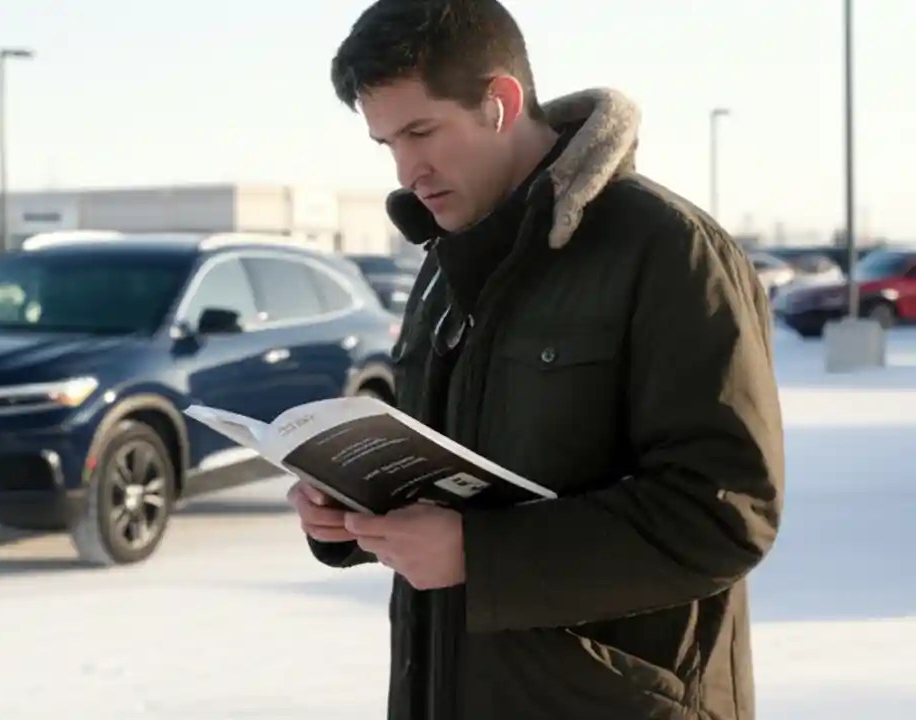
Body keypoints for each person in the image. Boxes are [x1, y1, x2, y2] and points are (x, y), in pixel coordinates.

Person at [286, 1, 785, 718]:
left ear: (500, 102)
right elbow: (450, 478)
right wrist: (353, 510)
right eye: (387, 142)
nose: (407, 169)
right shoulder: (445, 263)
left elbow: (725, 514)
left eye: (422, 132)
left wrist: (479, 555)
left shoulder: (668, 250)